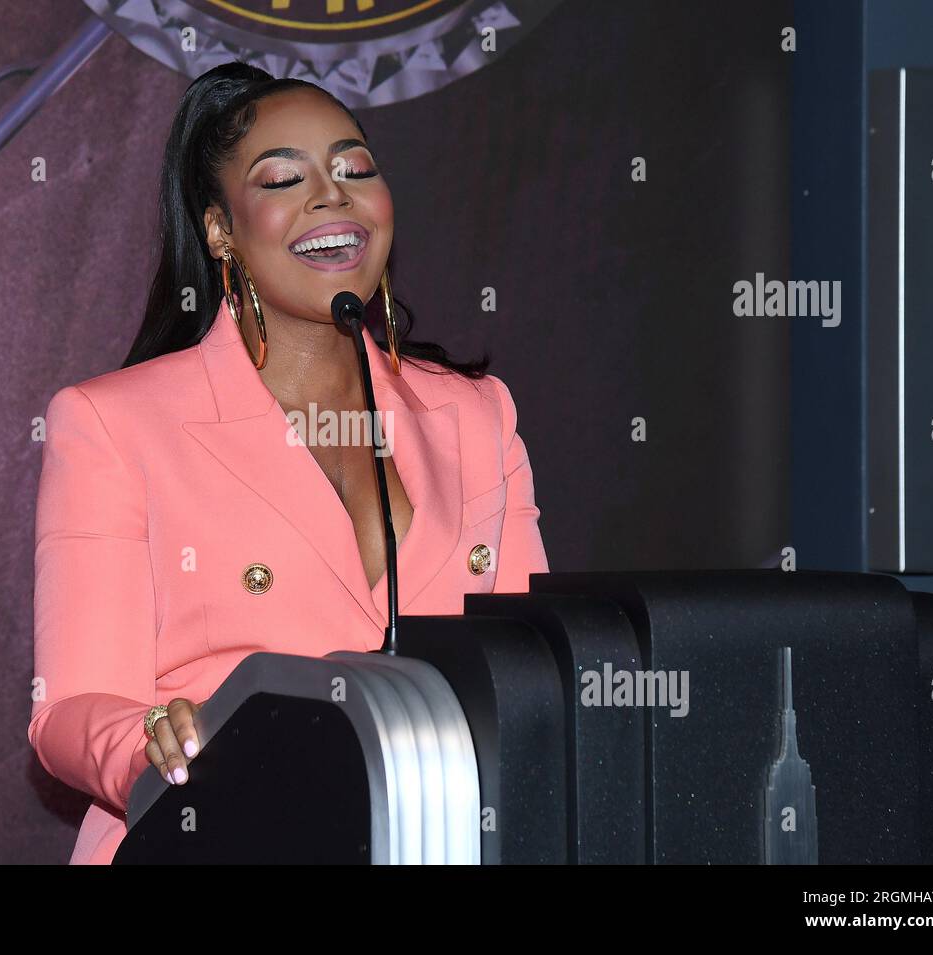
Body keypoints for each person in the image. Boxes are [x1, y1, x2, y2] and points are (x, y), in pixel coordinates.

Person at [28, 61, 549, 864]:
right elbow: (65, 710)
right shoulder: (112, 424)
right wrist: (153, 742)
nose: (331, 195)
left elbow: (533, 676)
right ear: (220, 230)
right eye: (283, 178)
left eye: (354, 169)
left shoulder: (479, 416)